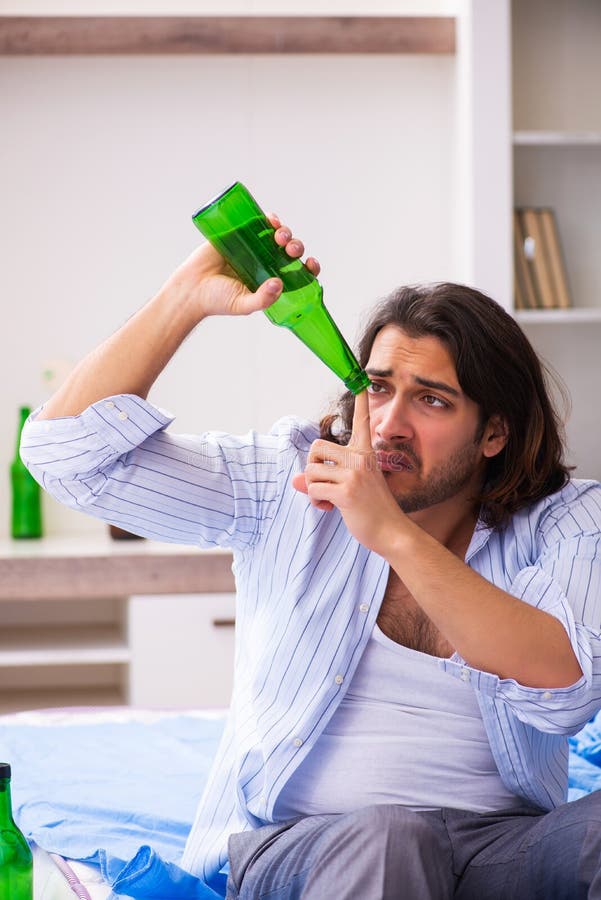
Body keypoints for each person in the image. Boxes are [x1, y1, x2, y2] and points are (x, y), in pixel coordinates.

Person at [21, 214, 601, 900]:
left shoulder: (565, 518)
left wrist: (391, 534)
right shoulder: (286, 481)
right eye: (377, 387)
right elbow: (64, 459)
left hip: (498, 847)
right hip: (306, 845)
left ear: (494, 433)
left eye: (431, 400)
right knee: (392, 837)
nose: (388, 424)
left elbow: (566, 690)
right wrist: (185, 297)